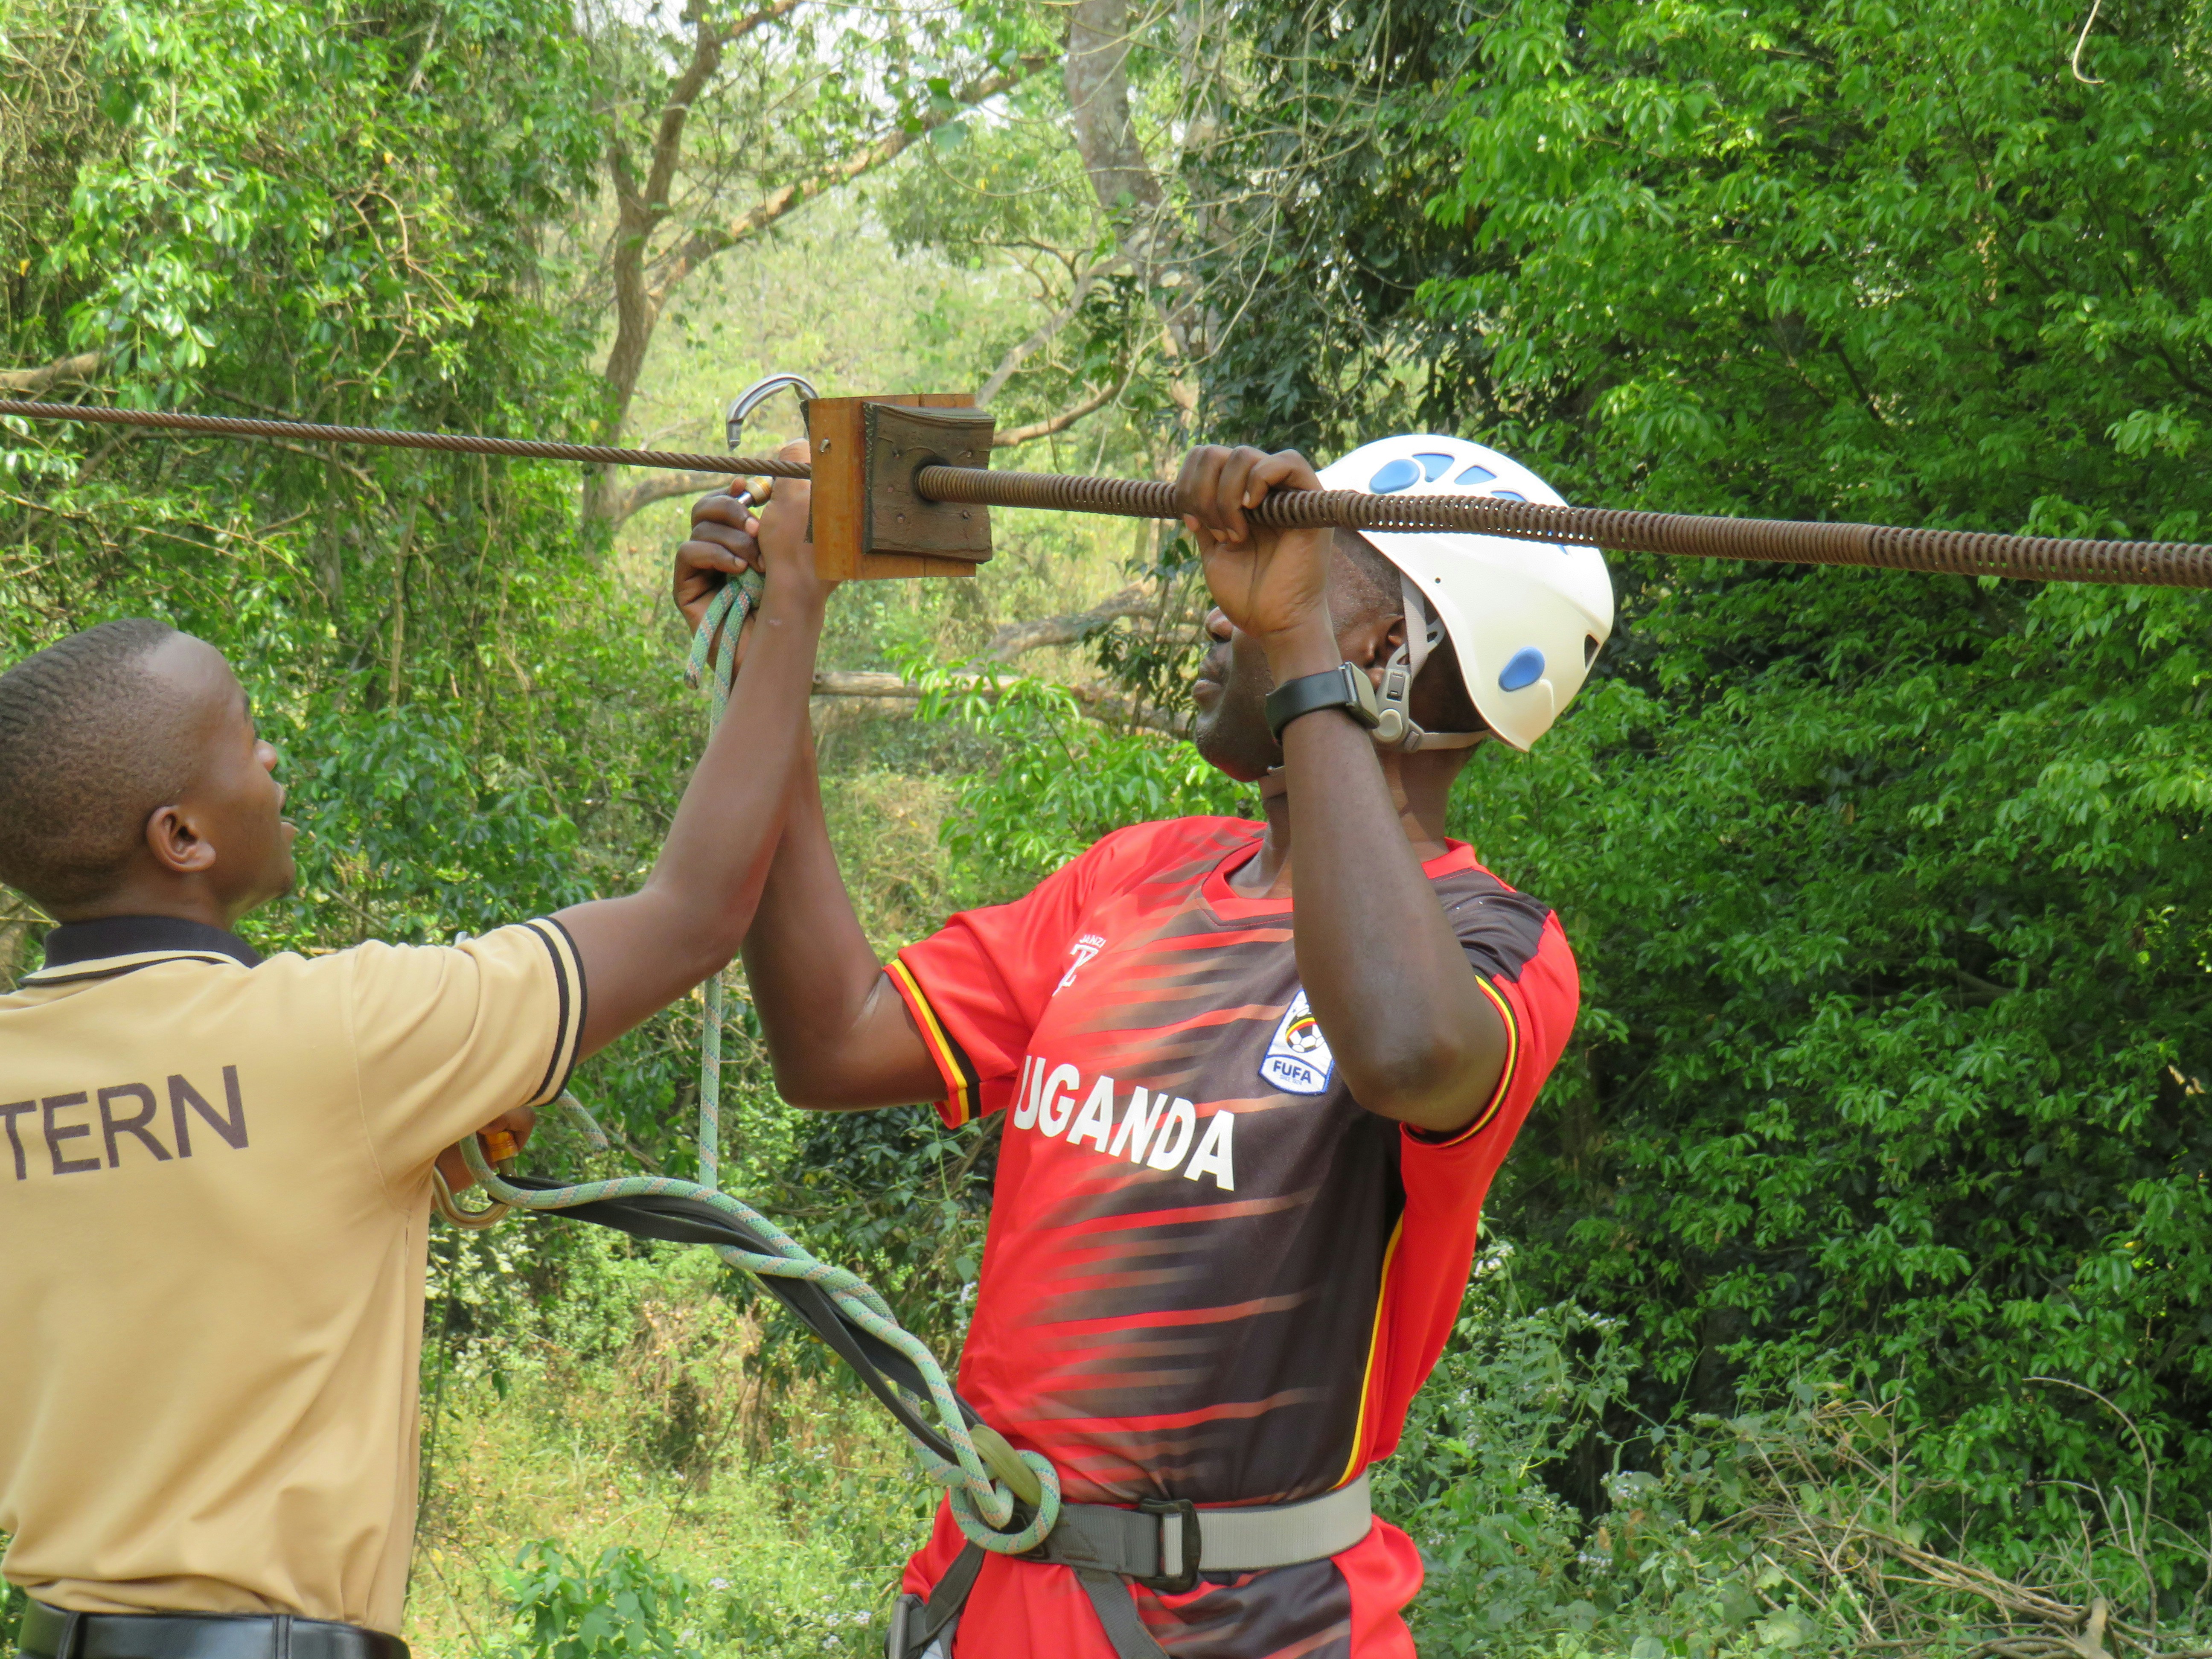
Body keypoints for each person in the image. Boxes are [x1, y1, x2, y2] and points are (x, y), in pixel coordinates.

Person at [671, 434, 1615, 1659]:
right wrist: (774, 647)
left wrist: (1295, 653)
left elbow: (1400, 1052)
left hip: (1250, 1629)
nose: (1228, 610)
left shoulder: (1493, 950)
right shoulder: (1144, 876)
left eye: (1296, 573)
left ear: (1385, 648)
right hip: (987, 1600)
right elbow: (830, 1044)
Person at [0, 470, 829, 1659]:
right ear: (181, 838)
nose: (271, 758)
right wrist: (786, 619)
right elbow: (694, 915)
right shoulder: (340, 1039)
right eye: (244, 738)